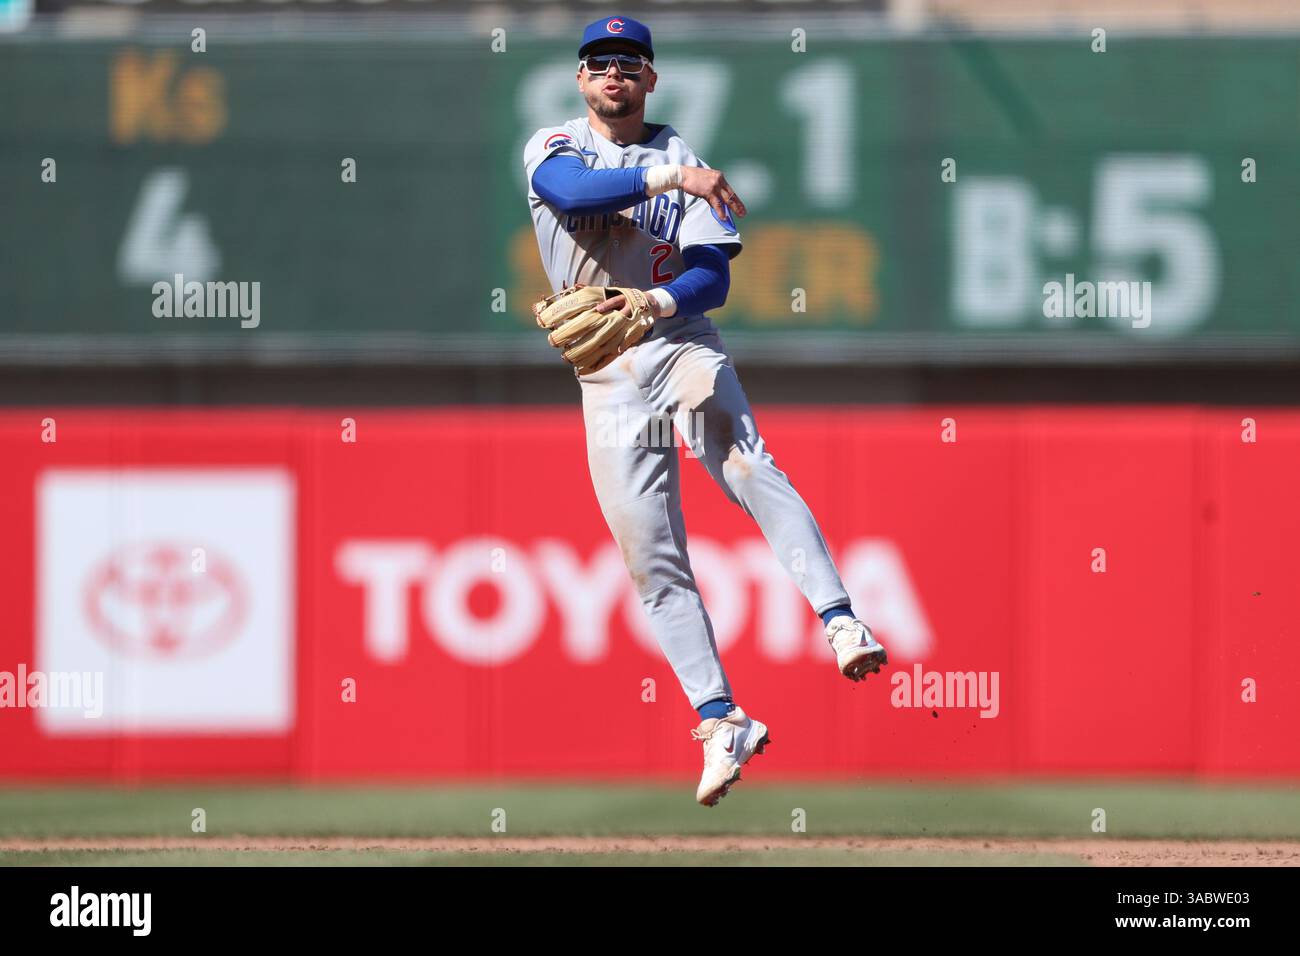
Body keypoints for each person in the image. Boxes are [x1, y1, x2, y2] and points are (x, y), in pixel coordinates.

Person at [522, 16, 888, 806]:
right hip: (604, 371)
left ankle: (841, 620)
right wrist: (671, 183)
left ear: (650, 79)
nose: (612, 73)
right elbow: (571, 193)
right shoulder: (555, 144)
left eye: (628, 62)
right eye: (597, 63)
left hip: (677, 338)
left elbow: (713, 277)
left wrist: (652, 300)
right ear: (580, 80)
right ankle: (723, 720)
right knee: (650, 556)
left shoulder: (679, 151)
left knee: (746, 463)